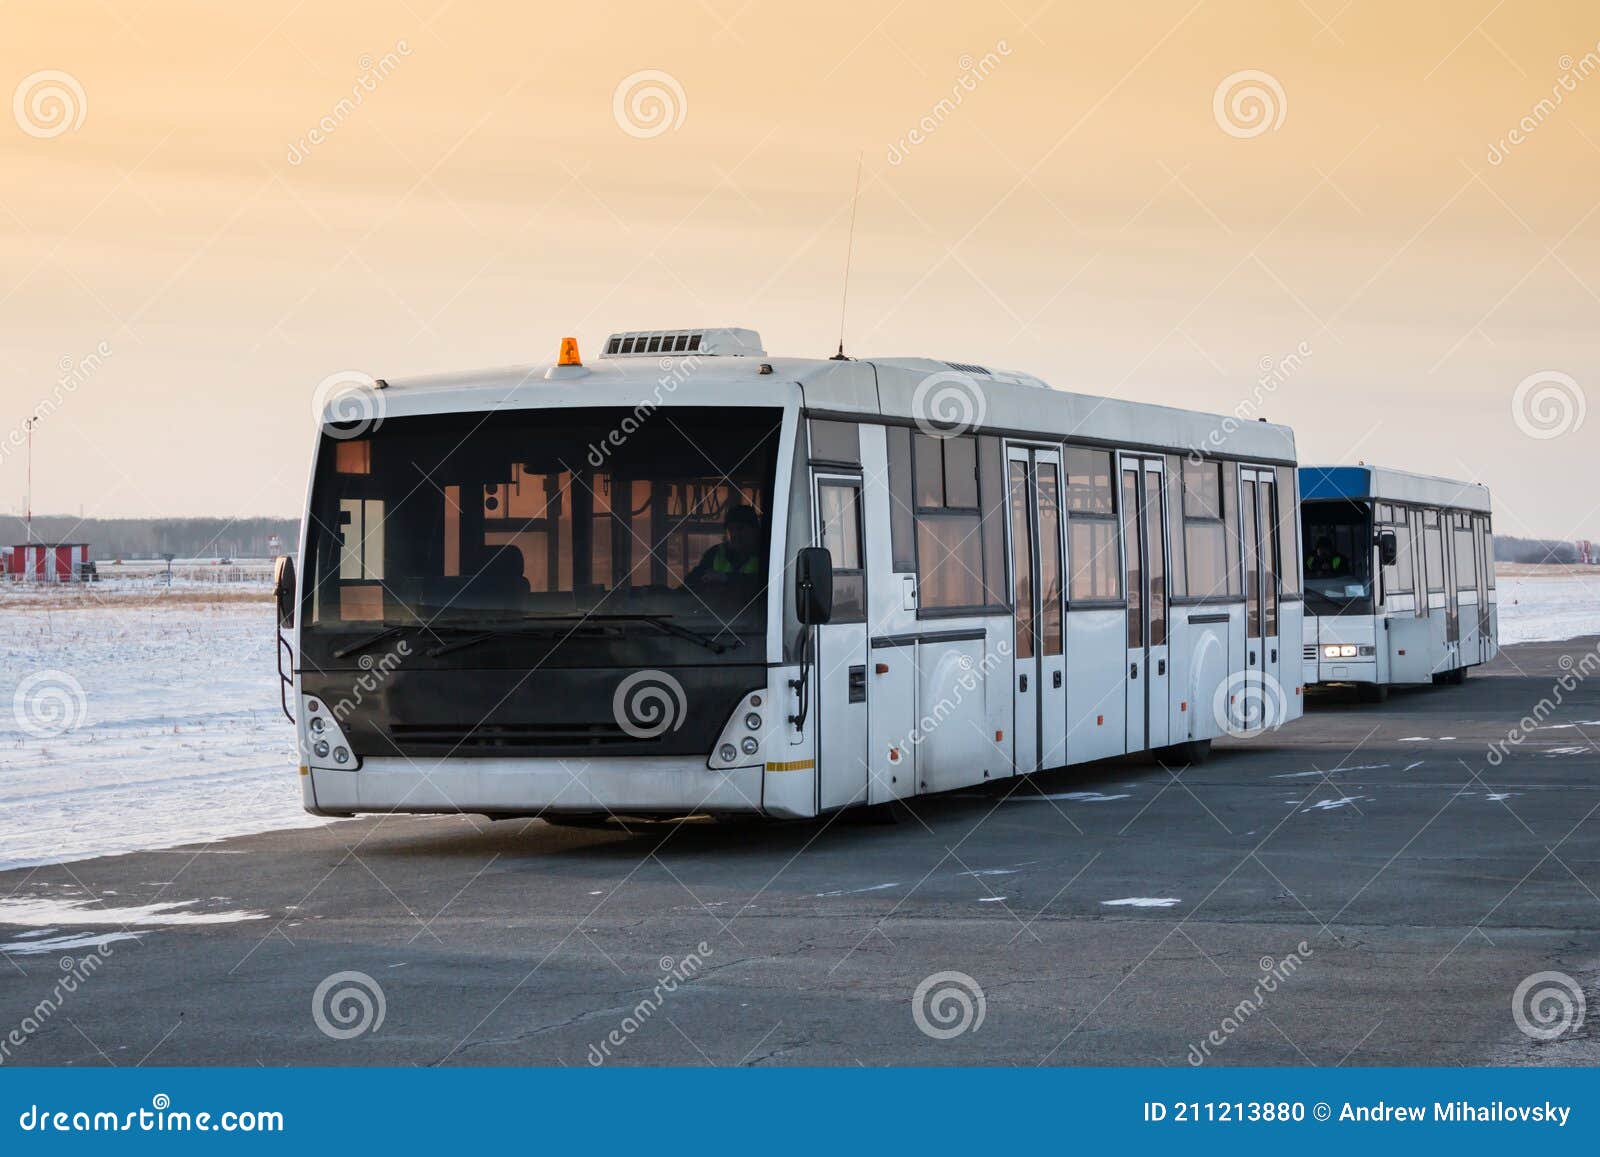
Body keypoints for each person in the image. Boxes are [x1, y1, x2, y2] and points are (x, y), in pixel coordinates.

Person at [687, 505, 762, 588]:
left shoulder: (768, 554)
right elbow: (690, 580)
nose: (735, 534)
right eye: (730, 529)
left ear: (755, 530)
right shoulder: (715, 553)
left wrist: (725, 577)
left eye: (740, 528)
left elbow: (764, 583)